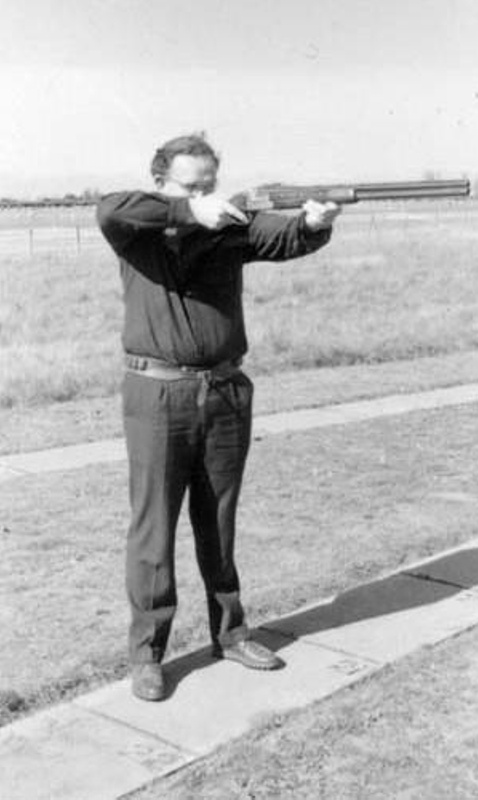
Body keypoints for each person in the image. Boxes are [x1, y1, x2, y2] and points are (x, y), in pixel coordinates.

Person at [97, 133, 340, 701]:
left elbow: (280, 238)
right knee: (153, 531)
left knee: (219, 524)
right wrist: (186, 210)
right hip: (157, 395)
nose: (207, 193)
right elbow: (109, 206)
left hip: (227, 392)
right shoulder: (137, 231)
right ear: (161, 183)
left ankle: (230, 634)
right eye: (191, 185)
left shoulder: (228, 228)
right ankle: (148, 657)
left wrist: (314, 222)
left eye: (211, 184)